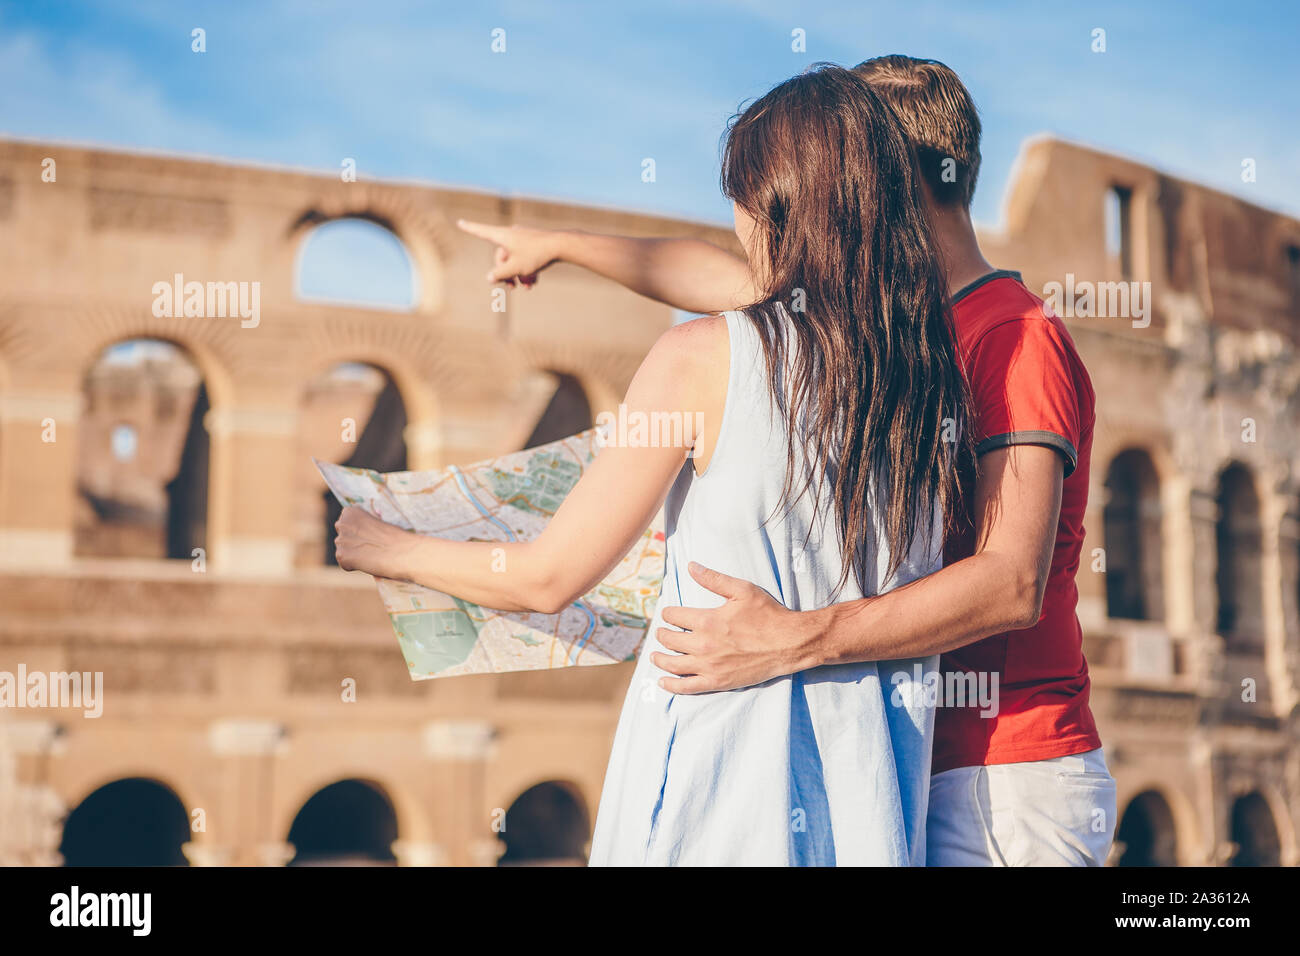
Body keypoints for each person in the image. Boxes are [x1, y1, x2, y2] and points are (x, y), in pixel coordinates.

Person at [456, 55, 1116, 867]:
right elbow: (714, 275)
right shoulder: (877, 330)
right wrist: (555, 243)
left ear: (885, 173)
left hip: (1003, 776)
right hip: (907, 752)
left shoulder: (1014, 337)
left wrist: (794, 639)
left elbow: (1009, 581)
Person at [335, 64, 973, 865]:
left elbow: (545, 579)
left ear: (765, 204)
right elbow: (722, 276)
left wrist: (385, 546)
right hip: (871, 804)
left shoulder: (702, 358)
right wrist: (562, 244)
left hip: (721, 791)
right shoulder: (924, 376)